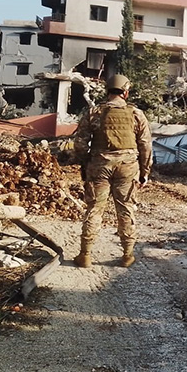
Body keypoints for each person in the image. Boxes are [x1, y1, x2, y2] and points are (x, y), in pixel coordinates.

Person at [72, 74, 152, 268]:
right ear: (126, 92)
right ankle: (127, 255)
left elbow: (80, 143)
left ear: (107, 91)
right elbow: (145, 145)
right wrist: (145, 172)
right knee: (126, 209)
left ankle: (85, 255)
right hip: (127, 167)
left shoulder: (94, 112)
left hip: (100, 166)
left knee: (94, 209)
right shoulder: (136, 114)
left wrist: (86, 163)